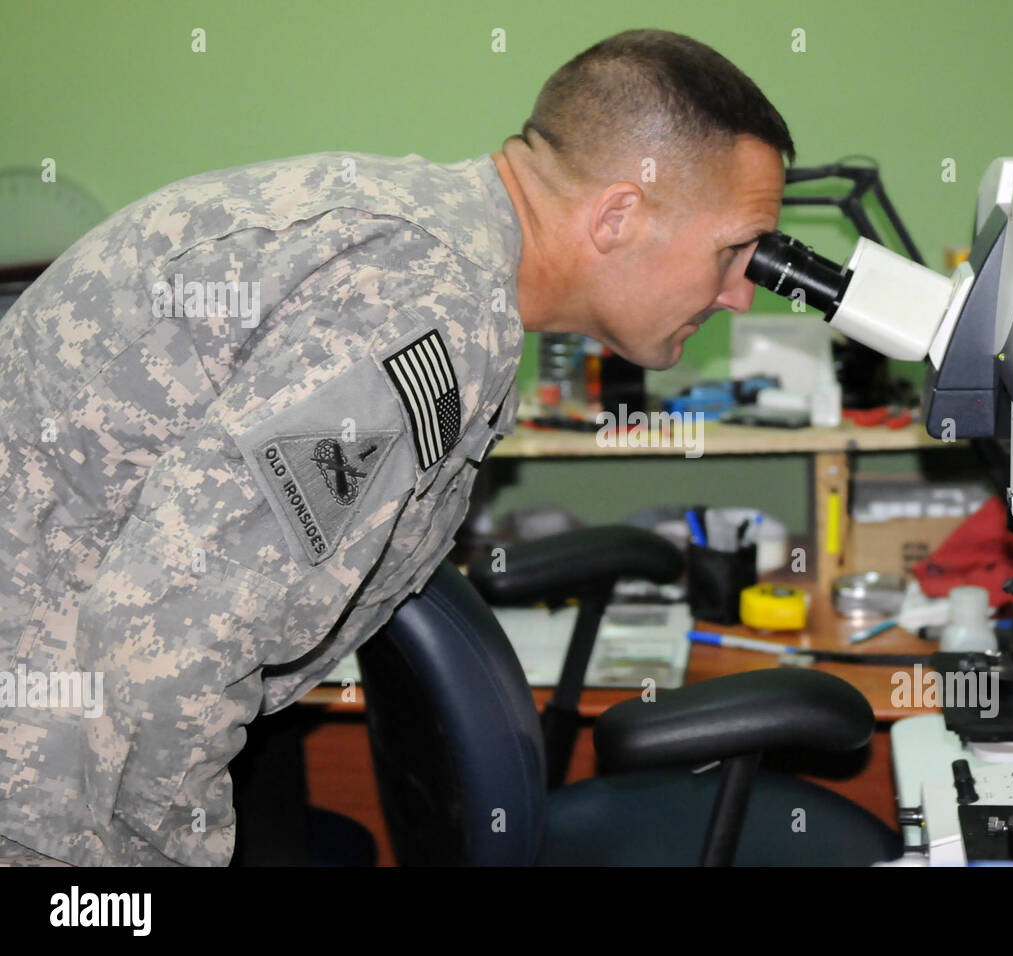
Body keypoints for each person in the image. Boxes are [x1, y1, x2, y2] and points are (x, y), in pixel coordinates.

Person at [0, 28, 793, 865]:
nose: (741, 294)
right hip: (46, 768)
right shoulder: (422, 308)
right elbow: (161, 649)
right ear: (618, 215)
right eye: (732, 250)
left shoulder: (442, 258)